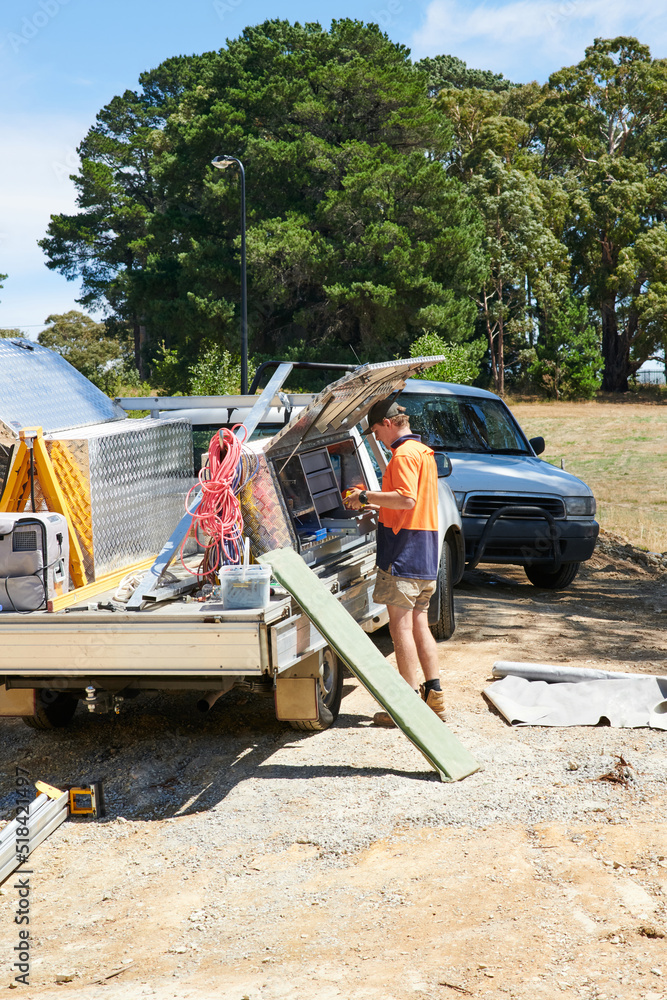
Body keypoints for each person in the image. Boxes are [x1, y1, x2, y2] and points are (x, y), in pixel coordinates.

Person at [344, 398, 446, 726]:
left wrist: (365, 497)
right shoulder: (423, 453)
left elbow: (405, 499)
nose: (377, 438)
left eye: (375, 431)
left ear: (388, 423)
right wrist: (376, 507)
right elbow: (410, 506)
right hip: (426, 552)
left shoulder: (402, 455)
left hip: (403, 555)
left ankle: (405, 708)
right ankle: (435, 697)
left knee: (399, 628)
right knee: (419, 625)